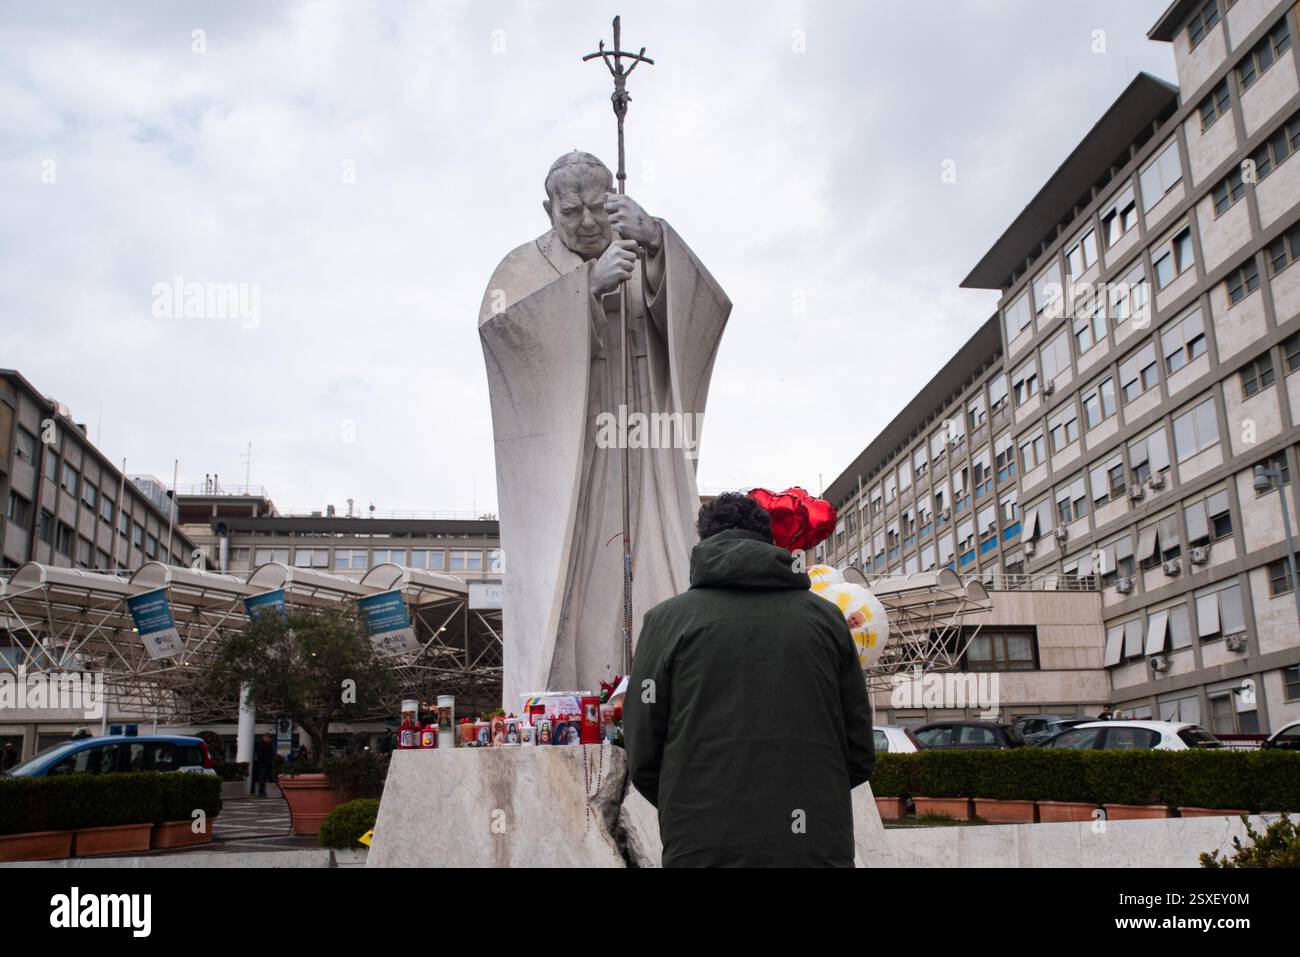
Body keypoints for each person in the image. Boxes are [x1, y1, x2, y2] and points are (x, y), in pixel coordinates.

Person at [624, 492, 875, 867]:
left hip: (703, 844)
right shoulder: (827, 621)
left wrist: (692, 803)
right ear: (769, 540)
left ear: (704, 542)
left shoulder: (665, 623)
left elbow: (643, 750)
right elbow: (859, 749)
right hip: (814, 846)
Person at [251, 733, 275, 798]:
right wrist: (262, 762)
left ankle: (272, 792)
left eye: (270, 738)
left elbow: (271, 754)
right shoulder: (262, 745)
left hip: (269, 763)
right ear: (264, 737)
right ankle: (261, 792)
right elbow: (259, 755)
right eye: (269, 738)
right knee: (263, 777)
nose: (270, 739)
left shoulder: (269, 745)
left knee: (271, 777)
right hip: (264, 764)